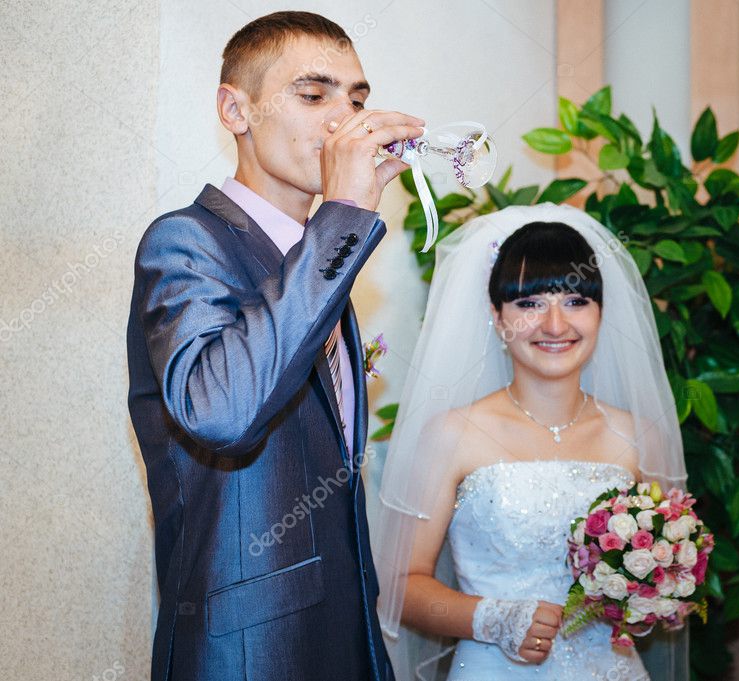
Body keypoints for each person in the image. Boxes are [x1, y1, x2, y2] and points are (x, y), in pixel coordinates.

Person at [126, 11, 422, 681]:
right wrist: (344, 220)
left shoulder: (319, 264)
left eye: (357, 101)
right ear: (236, 110)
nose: (343, 123)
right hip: (248, 649)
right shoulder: (185, 241)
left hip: (344, 633)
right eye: (313, 95)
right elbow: (224, 413)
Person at [372, 204, 690, 680]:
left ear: (601, 313)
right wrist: (493, 619)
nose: (555, 325)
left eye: (576, 301)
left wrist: (655, 592)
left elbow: (668, 578)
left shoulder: (639, 435)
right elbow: (400, 585)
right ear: (497, 317)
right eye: (529, 304)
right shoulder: (452, 434)